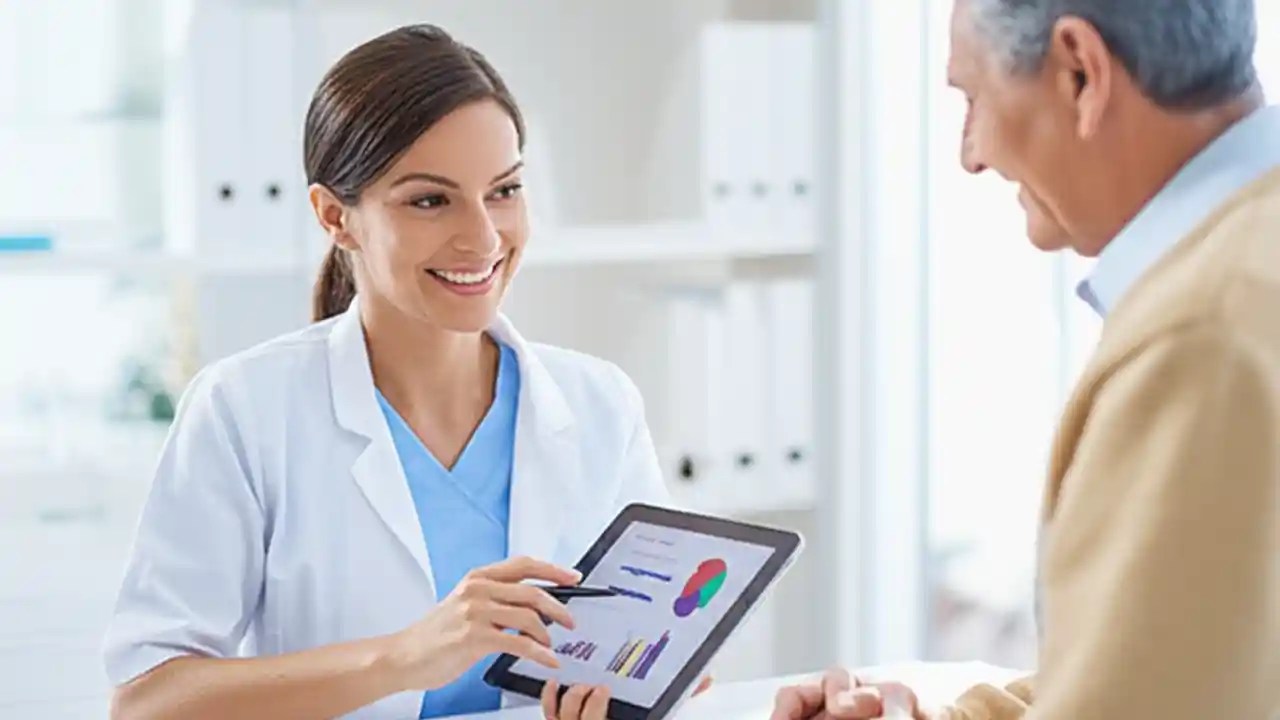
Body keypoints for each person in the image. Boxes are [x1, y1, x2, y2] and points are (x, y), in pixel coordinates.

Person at [104, 24, 664, 720]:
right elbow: (147, 703)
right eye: (430, 200)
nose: (484, 238)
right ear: (336, 217)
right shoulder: (244, 409)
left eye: (505, 190)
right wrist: (402, 657)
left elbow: (657, 665)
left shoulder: (600, 403)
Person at [773, 0, 1280, 718]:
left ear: (1080, 71)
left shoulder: (1201, 335)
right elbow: (1182, 672)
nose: (970, 153)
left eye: (973, 96)